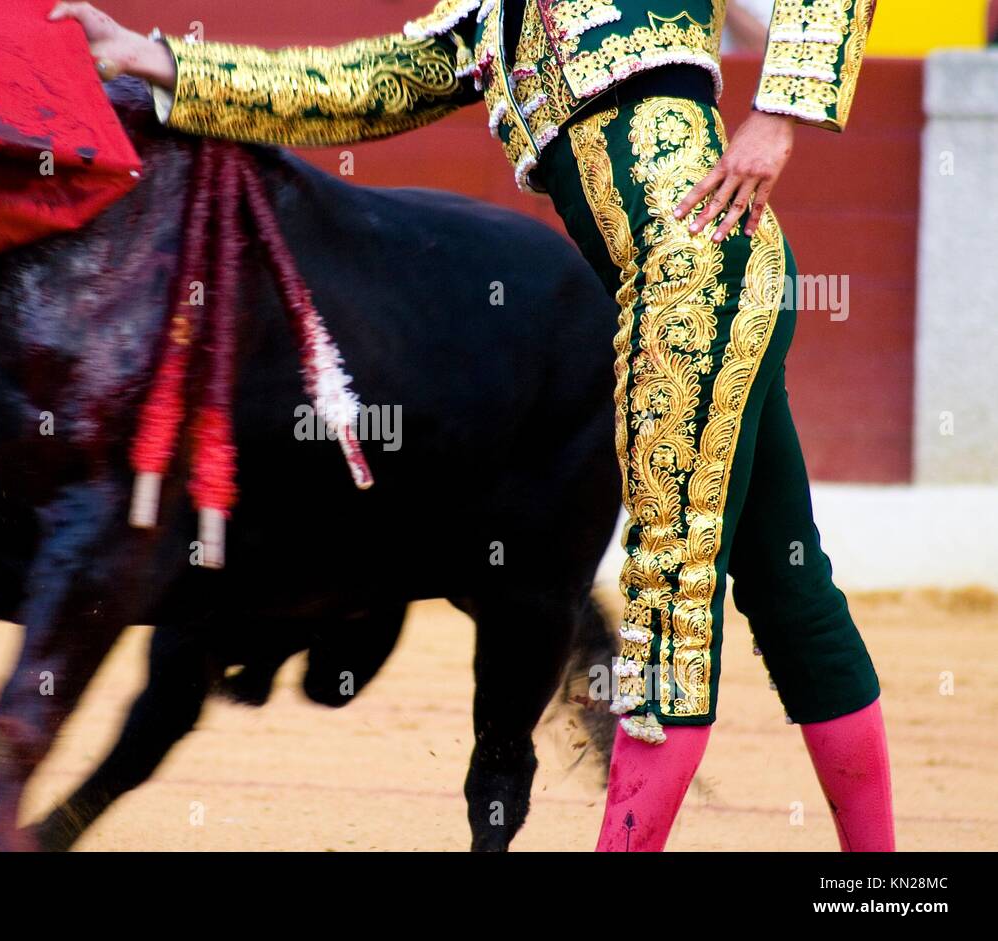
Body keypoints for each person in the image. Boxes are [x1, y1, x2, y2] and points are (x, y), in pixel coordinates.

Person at [48, 0, 893, 852]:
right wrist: (152, 59)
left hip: (694, 270)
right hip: (688, 272)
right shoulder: (493, 17)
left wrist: (779, 113)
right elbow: (359, 83)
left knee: (667, 601)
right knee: (787, 585)